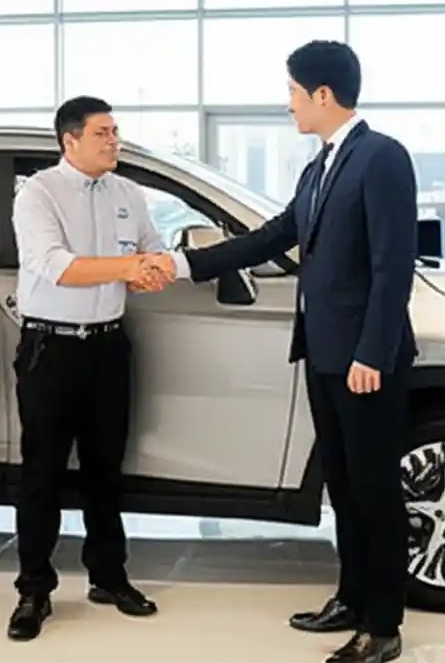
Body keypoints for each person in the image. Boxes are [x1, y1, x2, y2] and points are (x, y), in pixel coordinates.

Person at [150, 40, 417, 663]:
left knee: (376, 491)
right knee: (344, 489)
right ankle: (351, 598)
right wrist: (183, 262)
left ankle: (383, 626)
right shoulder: (321, 166)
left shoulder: (381, 158)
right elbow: (273, 236)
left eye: (294, 91)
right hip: (324, 354)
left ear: (323, 94)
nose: (289, 103)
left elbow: (391, 266)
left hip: (364, 361)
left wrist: (373, 354)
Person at [5, 95, 183, 641]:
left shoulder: (128, 194)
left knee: (107, 469)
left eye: (115, 131)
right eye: (102, 133)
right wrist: (132, 267)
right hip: (50, 349)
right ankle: (34, 589)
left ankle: (109, 575)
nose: (114, 140)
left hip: (109, 346)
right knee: (43, 473)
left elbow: (152, 252)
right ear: (70, 140)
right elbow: (55, 266)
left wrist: (153, 269)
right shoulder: (37, 193)